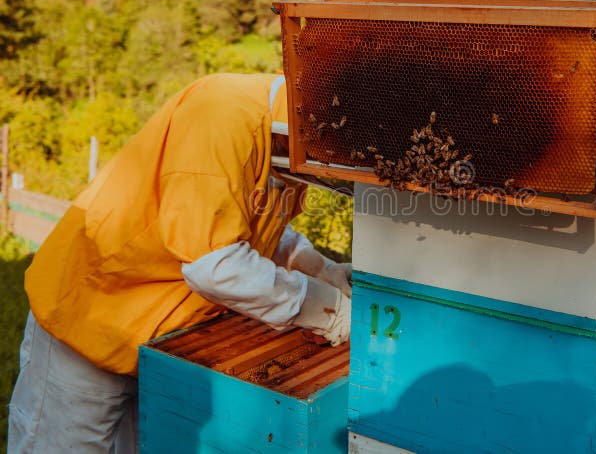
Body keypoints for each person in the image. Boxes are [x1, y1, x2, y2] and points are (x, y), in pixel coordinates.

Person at [7, 73, 352, 453]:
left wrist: (319, 269)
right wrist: (327, 310)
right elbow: (213, 263)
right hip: (92, 312)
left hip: (160, 338)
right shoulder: (218, 116)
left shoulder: (286, 141)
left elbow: (249, 225)